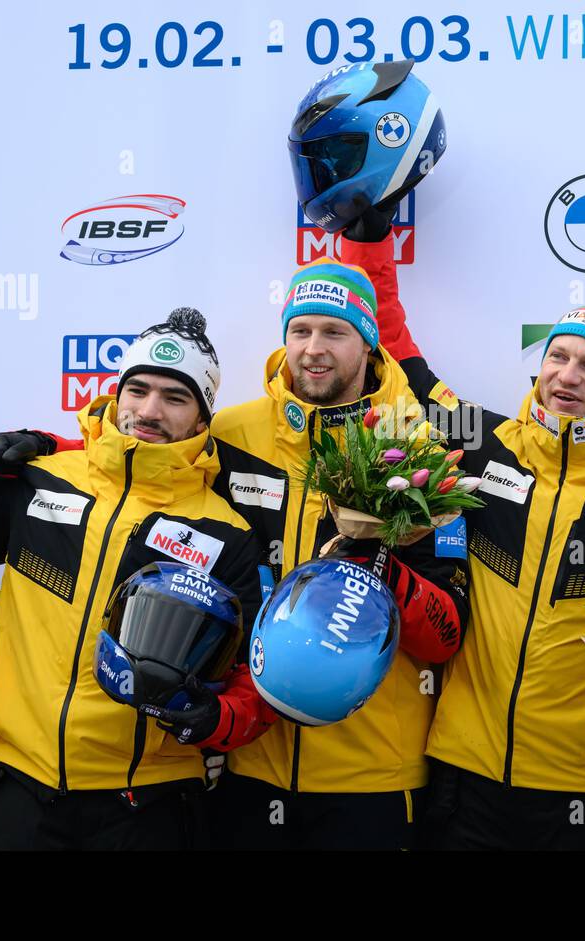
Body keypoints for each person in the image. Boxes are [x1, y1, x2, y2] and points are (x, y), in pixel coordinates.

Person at [341, 215, 585, 850]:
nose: (567, 376)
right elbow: (395, 355)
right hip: (465, 767)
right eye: (557, 355)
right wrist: (366, 234)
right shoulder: (485, 444)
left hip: (584, 784)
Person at [0, 308, 272, 850]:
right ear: (115, 395)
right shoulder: (38, 477)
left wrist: (213, 720)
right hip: (21, 787)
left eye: (175, 398)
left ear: (203, 420)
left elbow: (253, 678)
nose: (149, 410)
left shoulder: (228, 533)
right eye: (138, 390)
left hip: (146, 804)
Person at [209, 259, 470, 851]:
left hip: (372, 777)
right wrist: (57, 442)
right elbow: (146, 449)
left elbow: (446, 636)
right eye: (300, 331)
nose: (313, 350)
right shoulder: (232, 434)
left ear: (369, 343)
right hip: (253, 767)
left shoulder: (417, 448)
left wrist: (384, 574)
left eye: (335, 332)